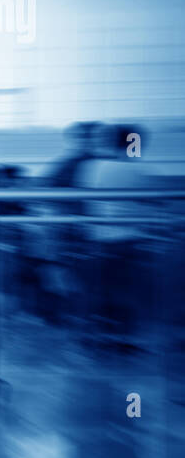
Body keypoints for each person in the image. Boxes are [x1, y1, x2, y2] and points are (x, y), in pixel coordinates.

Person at [80, 124, 159, 348]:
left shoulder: (93, 167)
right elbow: (151, 203)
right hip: (130, 240)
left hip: (99, 239)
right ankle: (123, 337)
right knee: (126, 291)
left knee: (101, 289)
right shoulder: (139, 170)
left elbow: (87, 202)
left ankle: (98, 336)